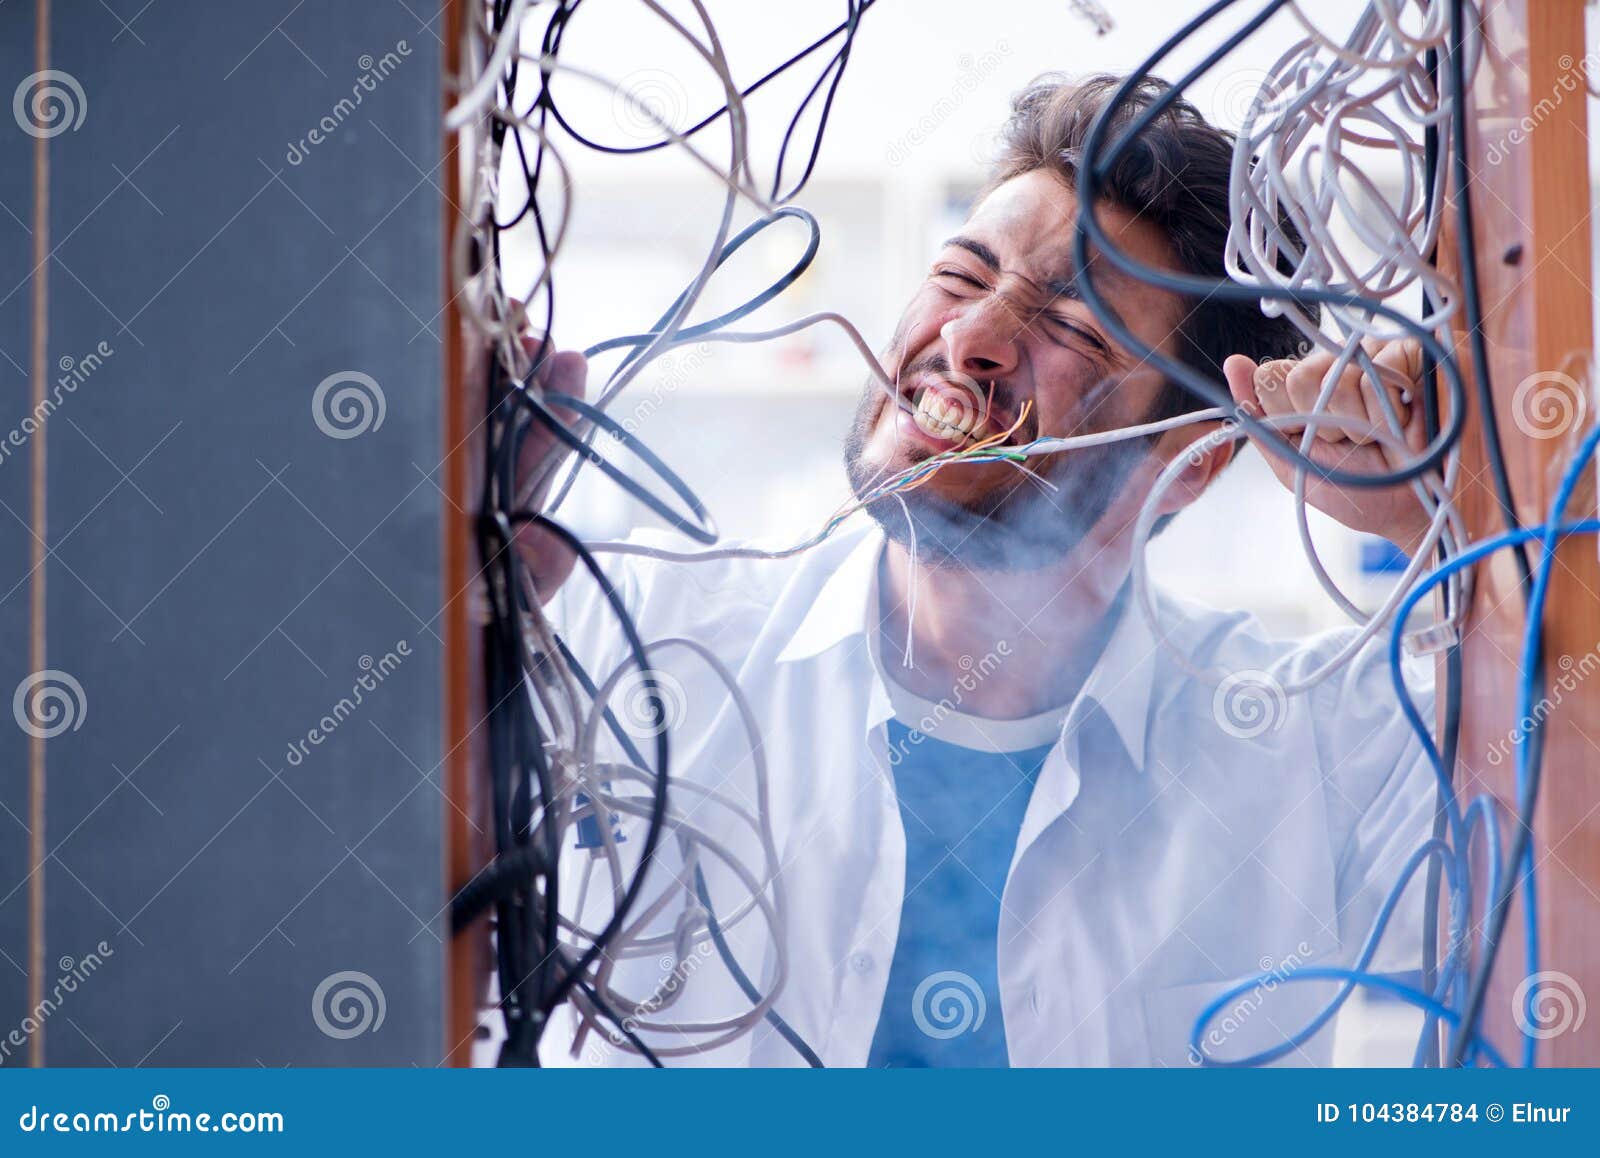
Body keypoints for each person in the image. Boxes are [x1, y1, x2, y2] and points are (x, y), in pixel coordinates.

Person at [516, 74, 1438, 1067]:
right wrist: (444, 610)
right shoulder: (628, 640)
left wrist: (1464, 535)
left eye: (1076, 329)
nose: (968, 337)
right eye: (961, 276)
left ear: (1192, 462)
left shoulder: (1312, 748)